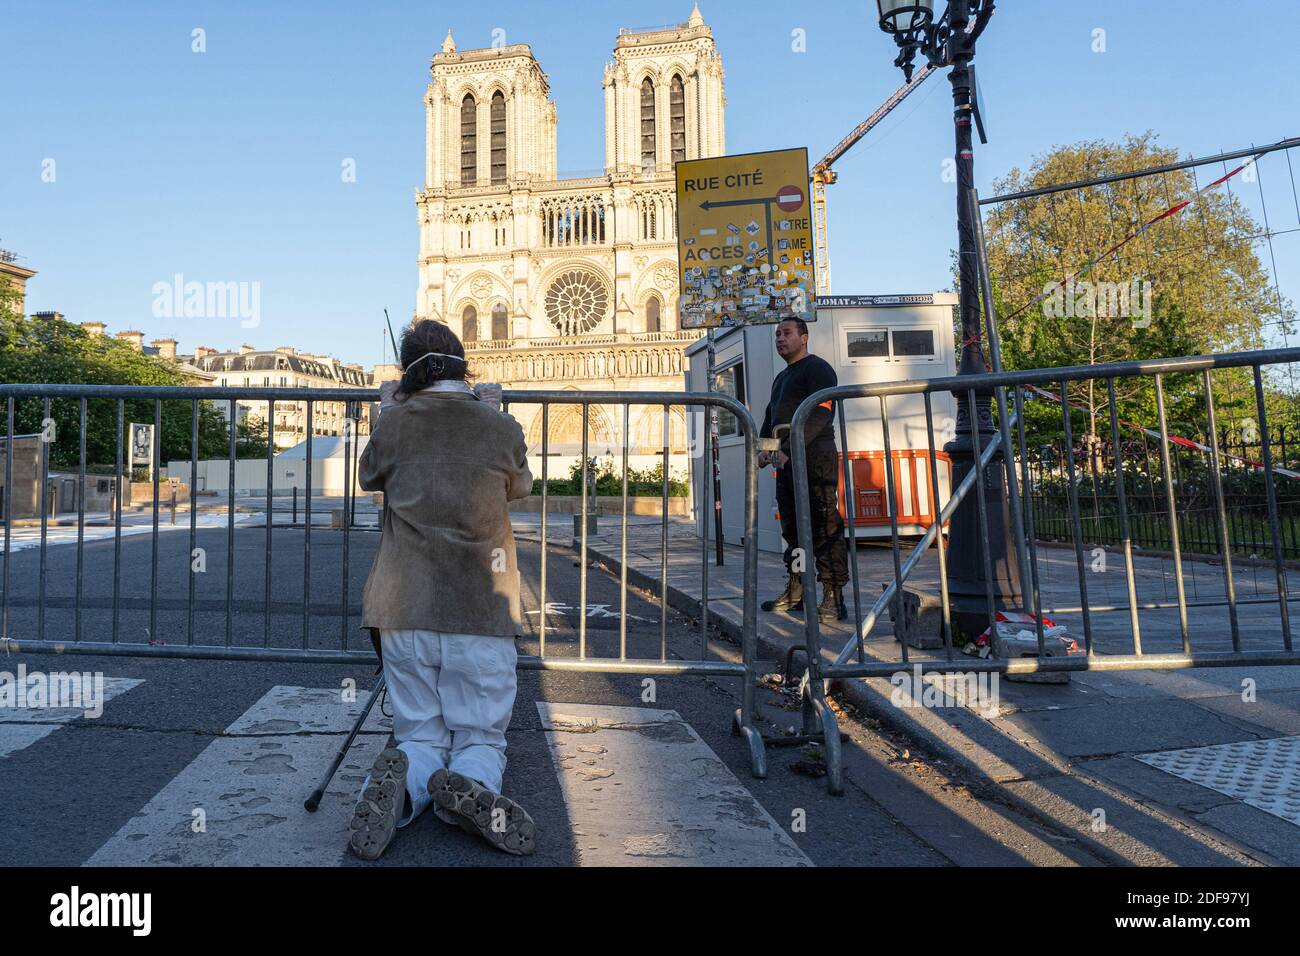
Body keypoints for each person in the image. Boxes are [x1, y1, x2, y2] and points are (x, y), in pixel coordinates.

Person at [348, 319, 536, 860]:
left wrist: (389, 410)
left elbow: (370, 475)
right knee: (479, 734)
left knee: (418, 734)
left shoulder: (395, 423)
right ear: (462, 365)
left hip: (402, 605)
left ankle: (398, 791)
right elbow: (519, 486)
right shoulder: (498, 426)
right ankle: (472, 786)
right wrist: (495, 412)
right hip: (480, 607)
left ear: (408, 375)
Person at [757, 317, 849, 623]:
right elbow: (772, 415)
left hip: (814, 457)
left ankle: (833, 597)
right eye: (777, 335)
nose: (780, 339)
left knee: (824, 524)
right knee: (793, 529)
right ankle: (797, 591)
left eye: (787, 333)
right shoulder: (781, 378)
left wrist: (787, 449)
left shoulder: (818, 369)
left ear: (804, 337)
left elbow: (821, 415)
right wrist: (765, 449)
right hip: (786, 462)